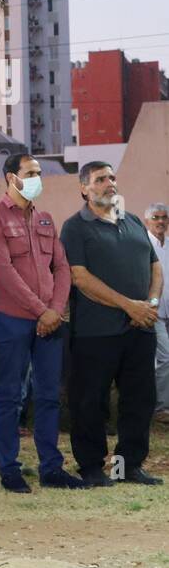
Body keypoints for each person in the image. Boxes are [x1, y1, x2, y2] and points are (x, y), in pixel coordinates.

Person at [0, 154, 82, 492]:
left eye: (39, 173)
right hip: (13, 321)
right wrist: (42, 311)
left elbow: (62, 267)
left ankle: (52, 468)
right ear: (12, 178)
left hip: (50, 321)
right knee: (10, 396)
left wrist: (55, 308)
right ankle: (9, 469)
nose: (38, 178)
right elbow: (3, 271)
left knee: (49, 396)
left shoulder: (46, 219)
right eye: (31, 173)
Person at [61, 162, 163, 486]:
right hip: (96, 332)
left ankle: (127, 466)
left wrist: (151, 304)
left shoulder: (132, 221)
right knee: (91, 401)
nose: (110, 183)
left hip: (140, 329)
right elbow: (80, 278)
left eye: (112, 177)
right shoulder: (75, 227)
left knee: (139, 400)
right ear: (84, 189)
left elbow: (155, 266)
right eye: (101, 179)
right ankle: (91, 467)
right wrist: (129, 305)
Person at [144, 203, 169, 417]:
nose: (160, 221)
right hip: (153, 312)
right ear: (147, 221)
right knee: (164, 357)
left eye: (164, 217)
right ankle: (160, 408)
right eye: (156, 217)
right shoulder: (142, 244)